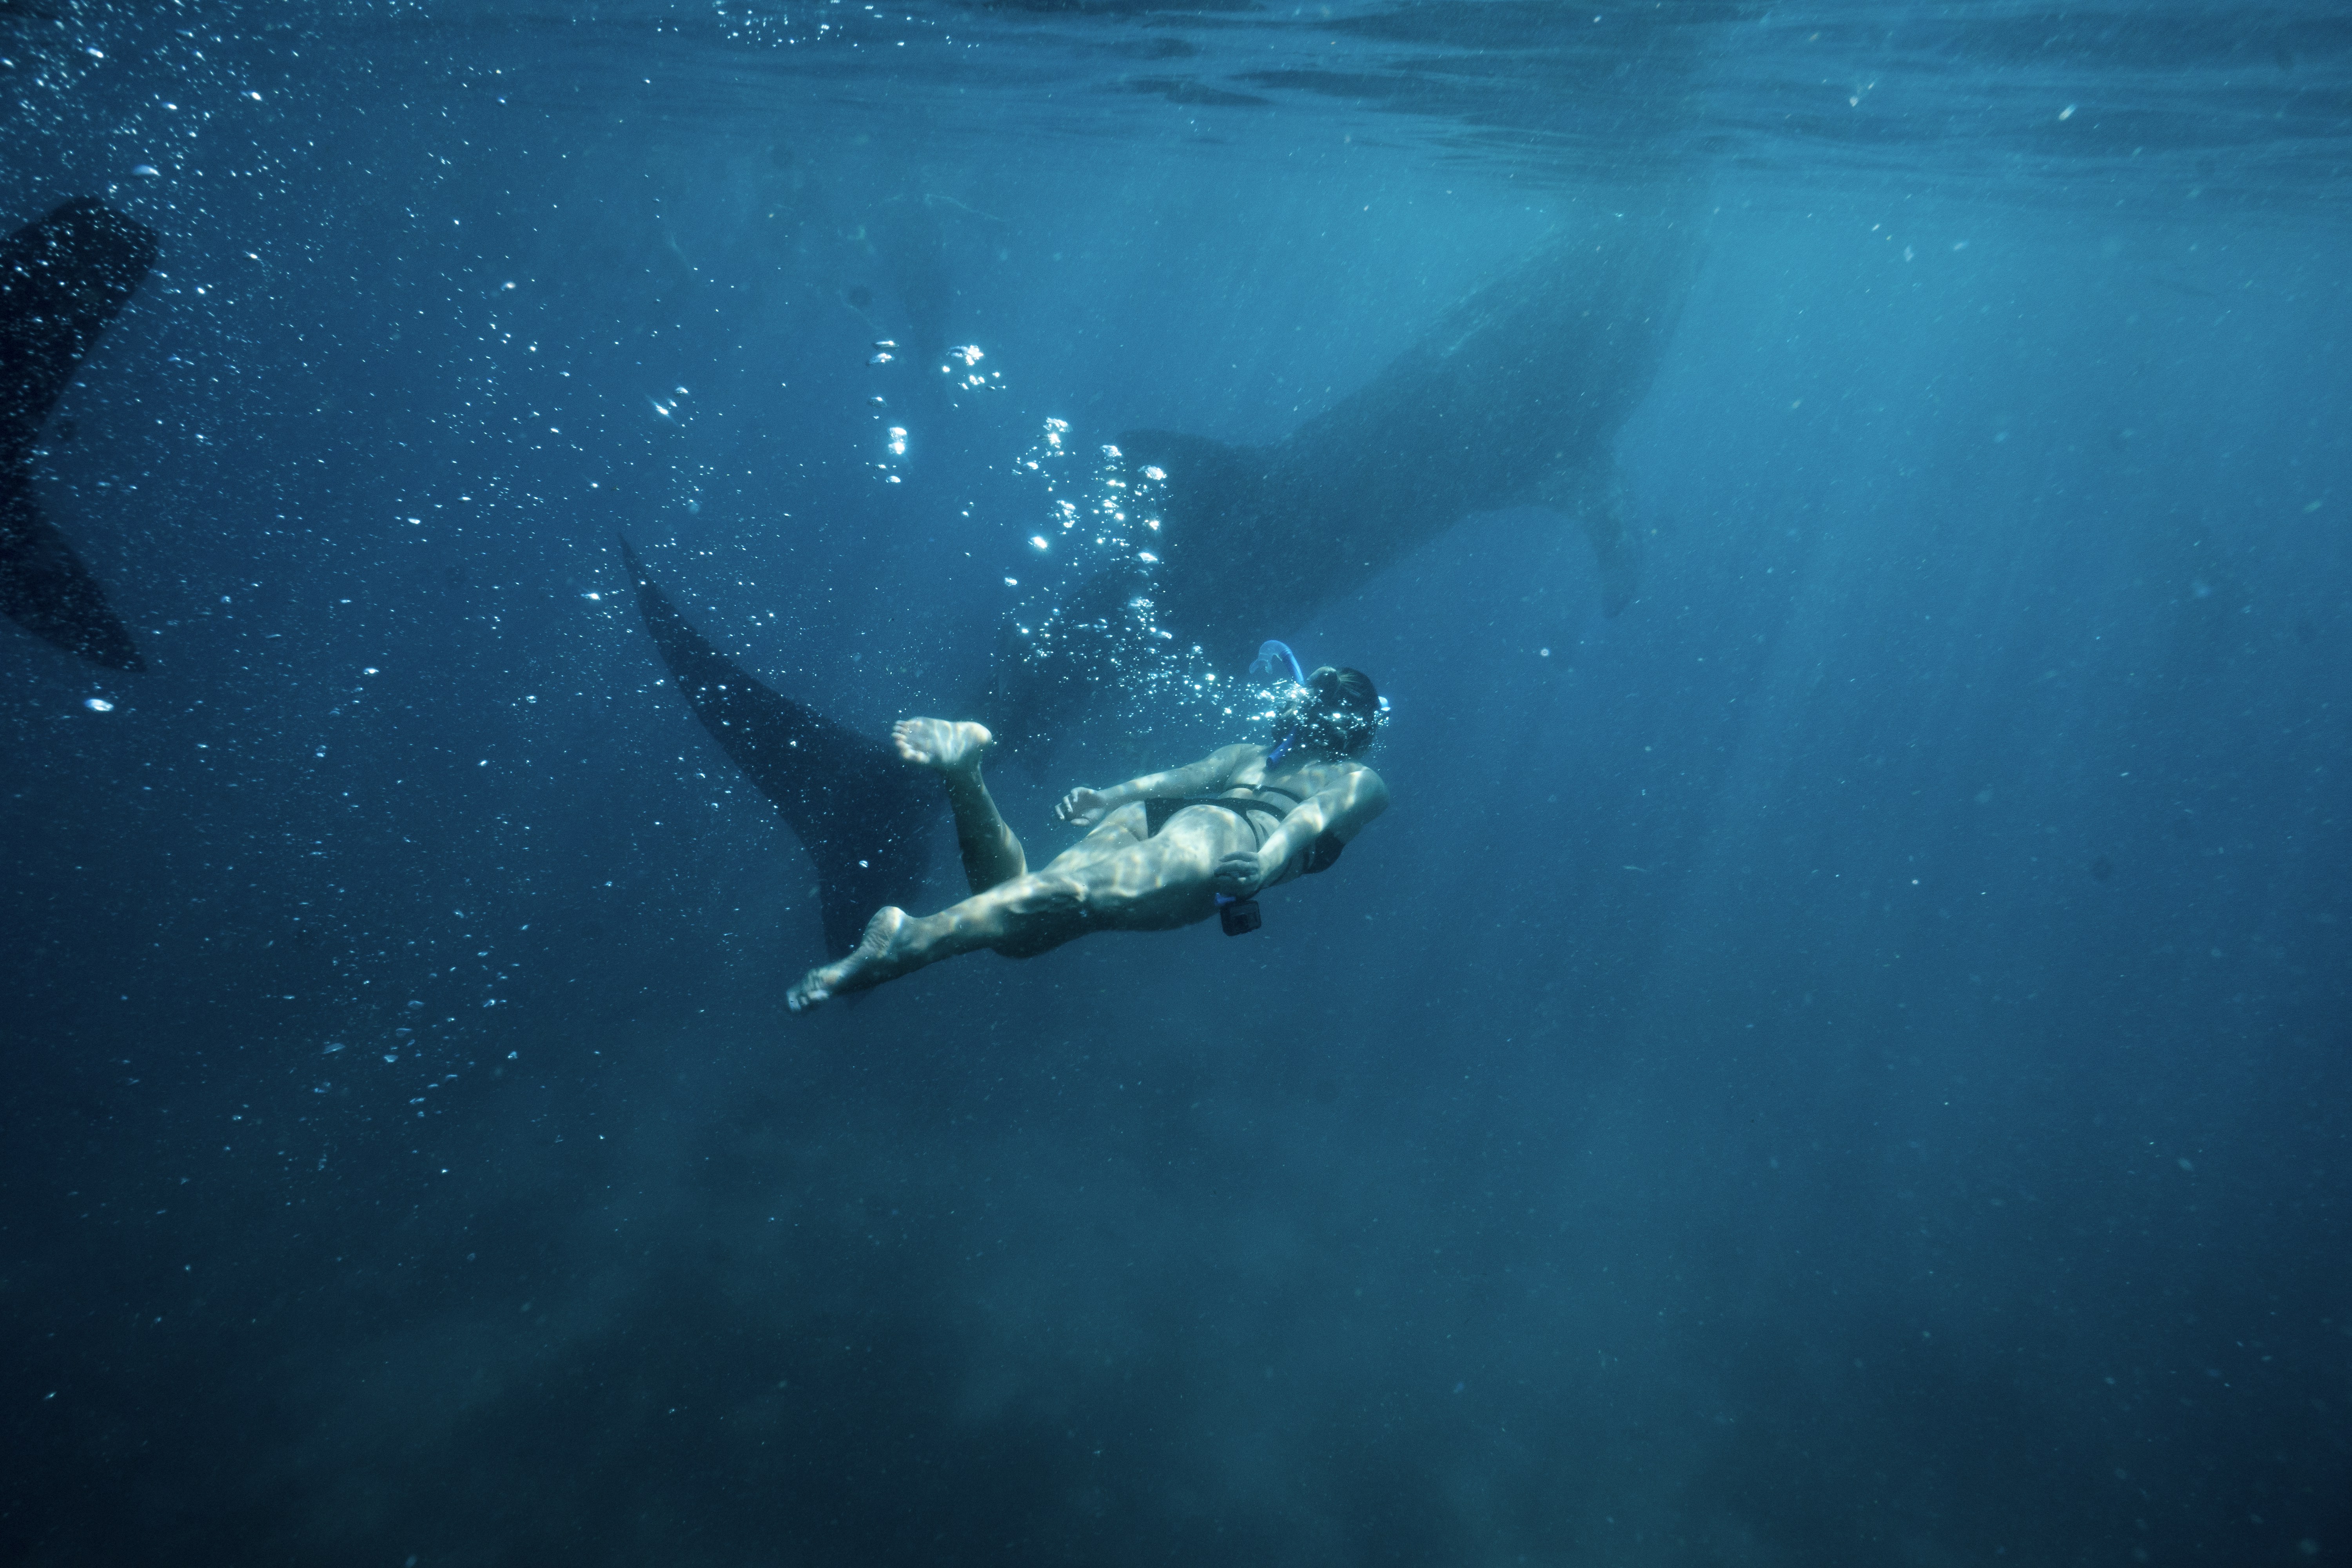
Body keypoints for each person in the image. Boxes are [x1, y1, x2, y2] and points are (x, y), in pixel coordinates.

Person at [786, 665, 1390, 1011]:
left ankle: (965, 773)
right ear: (1362, 729)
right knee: (1064, 896)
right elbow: (1306, 820)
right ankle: (910, 941)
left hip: (1171, 816)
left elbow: (1179, 779)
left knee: (1023, 925)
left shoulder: (1250, 752)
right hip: (1228, 835)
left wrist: (1113, 798)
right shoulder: (1360, 777)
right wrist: (1261, 864)